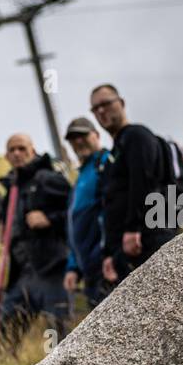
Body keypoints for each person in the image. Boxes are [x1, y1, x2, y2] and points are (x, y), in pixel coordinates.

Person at [89, 83, 175, 288]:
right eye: (95, 108)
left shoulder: (136, 136)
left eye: (106, 103)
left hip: (145, 240)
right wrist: (110, 253)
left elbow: (143, 182)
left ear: (122, 103)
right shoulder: (116, 150)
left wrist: (133, 229)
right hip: (128, 246)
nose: (101, 111)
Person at [0, 133, 72, 342]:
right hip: (23, 273)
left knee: (56, 334)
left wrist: (50, 219)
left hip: (52, 269)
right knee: (7, 328)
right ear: (6, 156)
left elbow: (75, 212)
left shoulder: (48, 178)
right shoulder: (12, 188)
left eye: (22, 148)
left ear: (33, 150)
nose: (17, 153)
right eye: (12, 150)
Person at [61, 118, 112, 311]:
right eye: (73, 138)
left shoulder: (106, 163)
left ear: (97, 135)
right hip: (89, 270)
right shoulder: (80, 178)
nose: (78, 141)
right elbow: (74, 228)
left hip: (107, 265)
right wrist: (73, 267)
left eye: (83, 135)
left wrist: (110, 255)